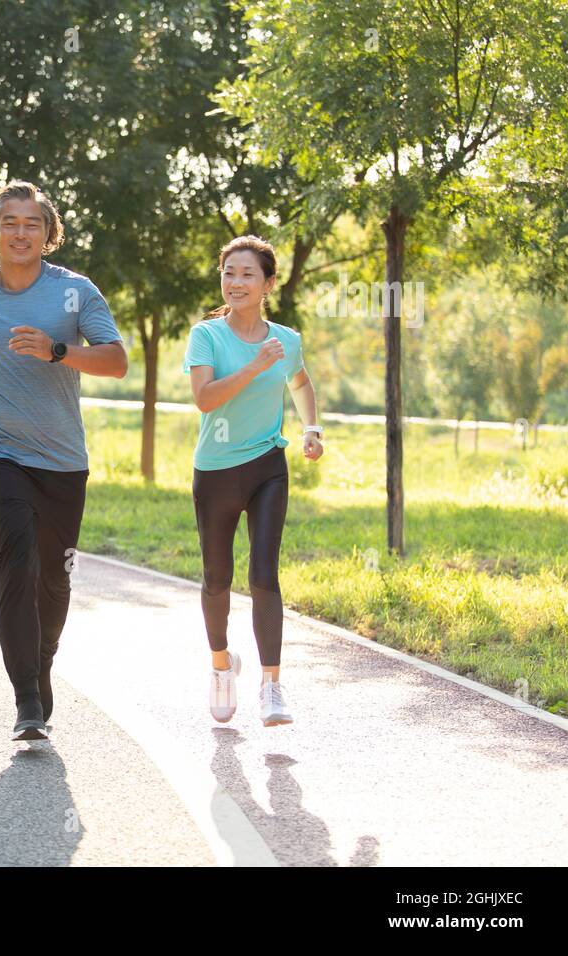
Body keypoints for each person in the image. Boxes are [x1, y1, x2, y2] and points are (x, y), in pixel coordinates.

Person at [0, 180, 128, 742]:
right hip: (0, 451)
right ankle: (26, 698)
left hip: (63, 459)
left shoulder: (75, 293)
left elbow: (117, 362)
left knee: (54, 580)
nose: (21, 232)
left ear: (49, 234)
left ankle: (41, 666)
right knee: (14, 561)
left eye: (32, 224)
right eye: (10, 223)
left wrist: (58, 351)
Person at [182, 235, 323, 727]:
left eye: (247, 274)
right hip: (216, 471)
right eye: (229, 273)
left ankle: (272, 686)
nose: (236, 282)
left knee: (264, 573)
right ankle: (221, 666)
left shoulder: (286, 339)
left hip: (267, 466)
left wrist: (310, 426)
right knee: (217, 577)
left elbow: (300, 381)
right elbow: (205, 399)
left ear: (268, 283)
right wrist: (255, 366)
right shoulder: (207, 336)